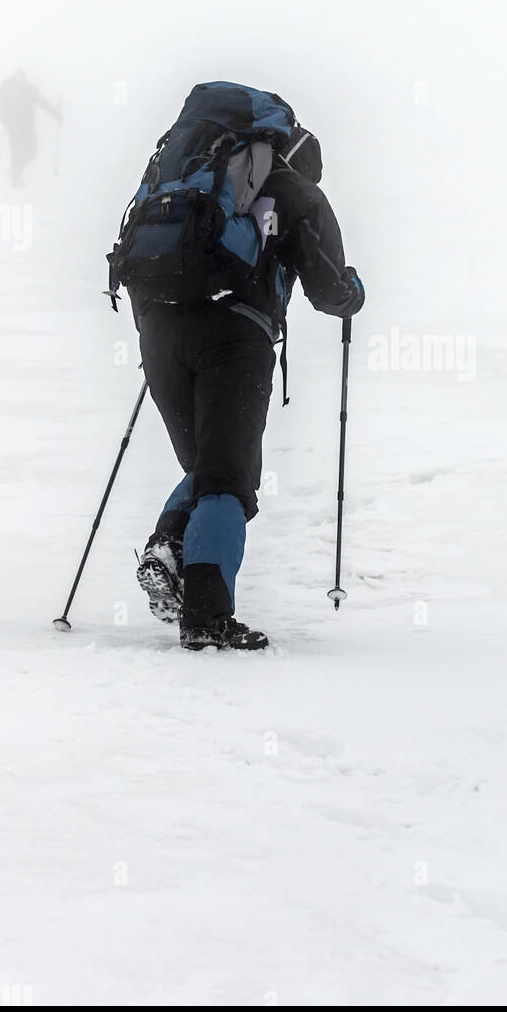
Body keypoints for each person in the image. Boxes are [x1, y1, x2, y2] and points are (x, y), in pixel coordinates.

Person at [131, 107, 364, 651]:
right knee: (227, 477)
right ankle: (206, 615)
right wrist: (352, 291)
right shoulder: (295, 193)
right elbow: (330, 290)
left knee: (207, 465)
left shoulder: (196, 178)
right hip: (233, 339)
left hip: (159, 329)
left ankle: (169, 550)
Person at [0, 69, 61, 187]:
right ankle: (16, 177)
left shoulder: (22, 88)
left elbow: (43, 102)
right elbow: (43, 103)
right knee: (21, 151)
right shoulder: (21, 88)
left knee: (28, 152)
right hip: (16, 124)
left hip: (20, 125)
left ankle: (15, 173)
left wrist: (56, 114)